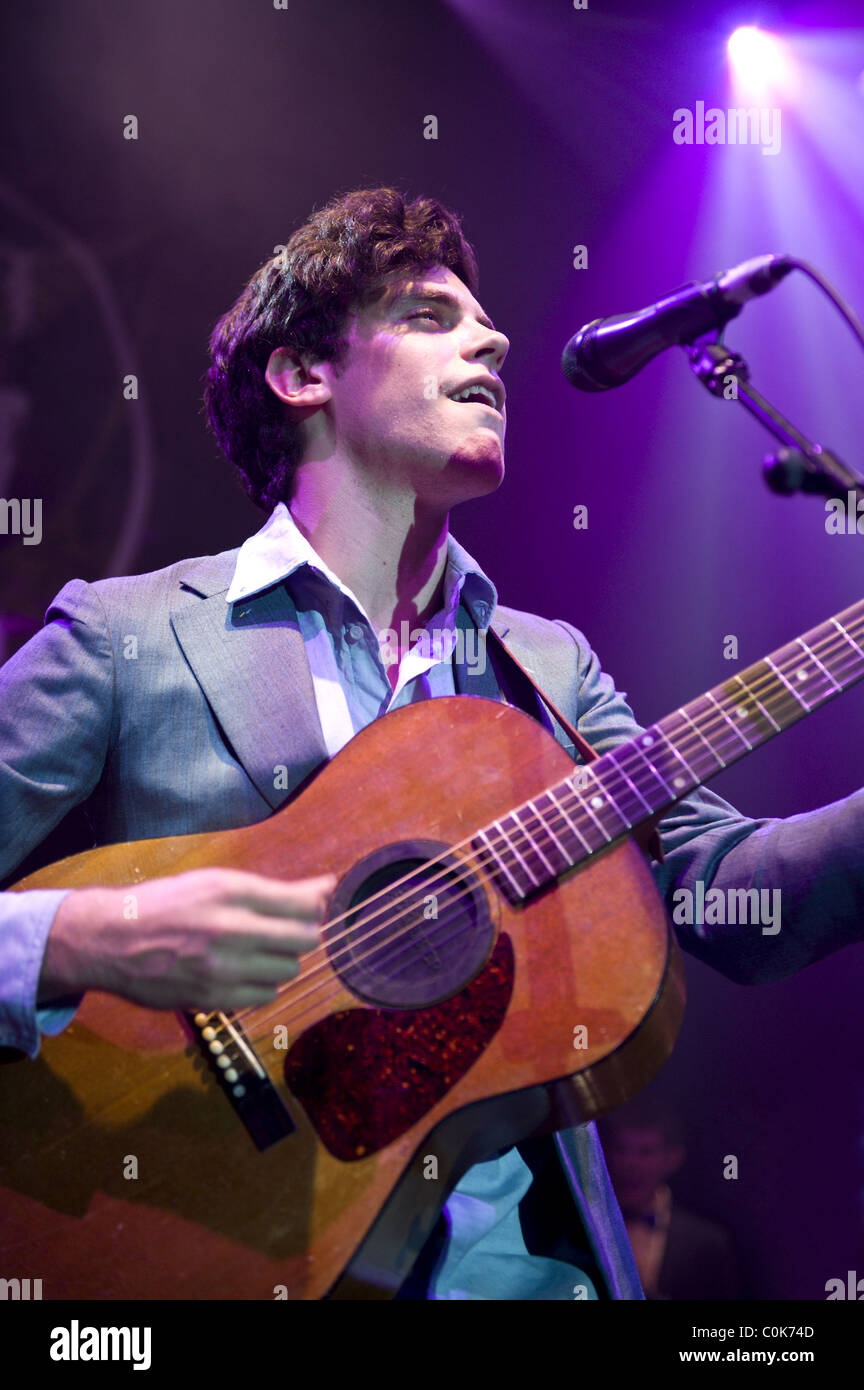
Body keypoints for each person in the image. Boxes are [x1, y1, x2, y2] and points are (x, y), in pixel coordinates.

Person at [1, 187, 863, 1300]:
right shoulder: (128, 635)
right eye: (427, 315)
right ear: (304, 375)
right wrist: (80, 934)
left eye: (488, 322)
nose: (494, 337)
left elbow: (737, 900)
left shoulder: (548, 668)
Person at [601, 1103, 741, 1300]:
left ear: (673, 1159)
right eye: (621, 1150)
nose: (629, 1164)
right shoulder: (575, 1228)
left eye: (645, 1152)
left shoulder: (708, 1243)